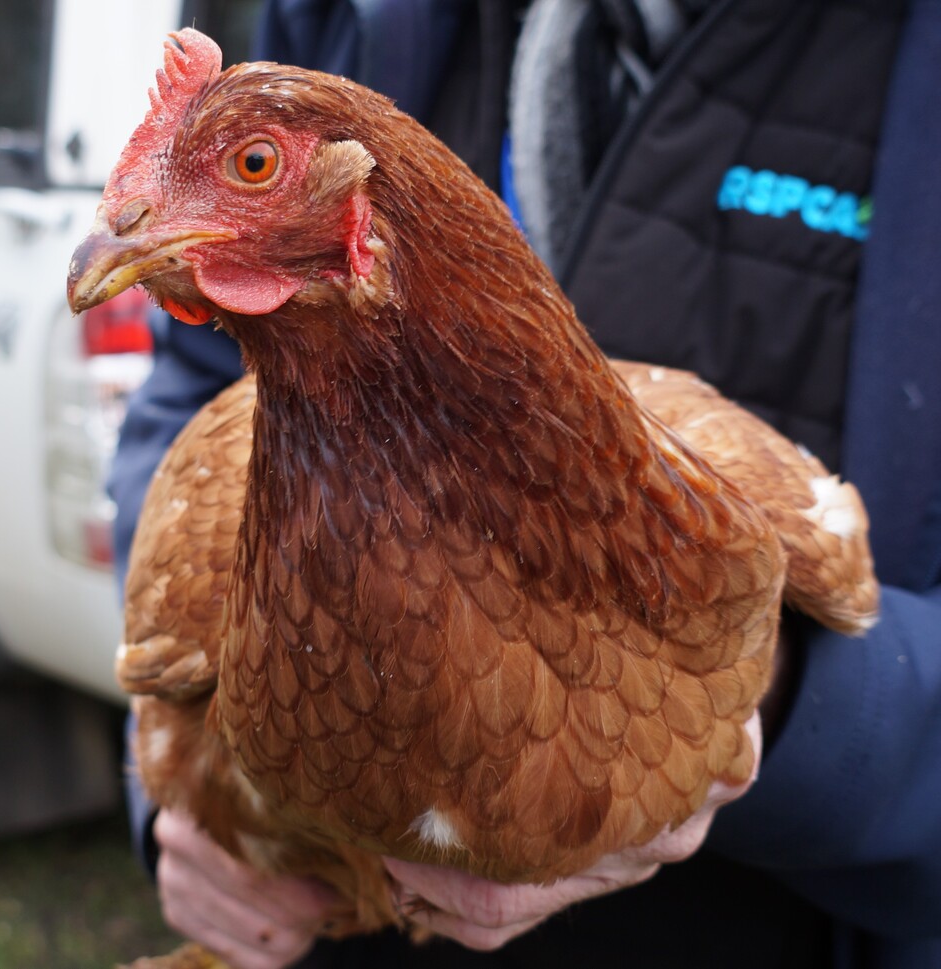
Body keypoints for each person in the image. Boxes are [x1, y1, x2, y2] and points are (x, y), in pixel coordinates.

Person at [109, 1, 941, 966]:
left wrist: (784, 702)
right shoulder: (340, 14)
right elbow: (190, 390)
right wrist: (182, 808)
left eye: (252, 167)